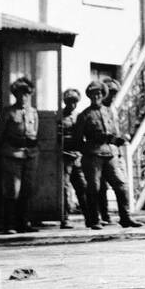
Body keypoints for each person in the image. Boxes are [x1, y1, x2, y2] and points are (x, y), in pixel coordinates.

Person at [73, 79, 142, 229]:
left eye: (99, 93)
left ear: (103, 95)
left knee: (121, 185)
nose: (96, 96)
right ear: (89, 96)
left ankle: (125, 217)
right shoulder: (84, 115)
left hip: (110, 154)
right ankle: (94, 220)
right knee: (94, 188)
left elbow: (116, 133)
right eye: (93, 94)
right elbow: (77, 141)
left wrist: (117, 142)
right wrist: (90, 148)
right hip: (93, 156)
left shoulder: (109, 112)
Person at [0, 76, 39, 234]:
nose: (24, 97)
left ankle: (24, 222)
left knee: (28, 188)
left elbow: (35, 132)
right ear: (15, 95)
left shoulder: (33, 112)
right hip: (12, 154)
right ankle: (9, 224)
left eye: (27, 94)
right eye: (20, 93)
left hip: (30, 155)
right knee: (12, 190)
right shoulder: (8, 112)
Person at [60, 87, 88, 229]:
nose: (72, 104)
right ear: (65, 101)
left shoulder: (79, 116)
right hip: (63, 157)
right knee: (64, 189)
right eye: (69, 101)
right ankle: (64, 219)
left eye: (75, 102)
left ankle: (90, 217)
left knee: (82, 187)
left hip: (77, 157)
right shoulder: (58, 117)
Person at [98, 76, 123, 224]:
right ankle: (104, 215)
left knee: (119, 184)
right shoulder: (97, 109)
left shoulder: (113, 110)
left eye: (115, 93)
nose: (113, 96)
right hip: (99, 152)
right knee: (100, 186)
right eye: (111, 92)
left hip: (113, 152)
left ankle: (123, 216)